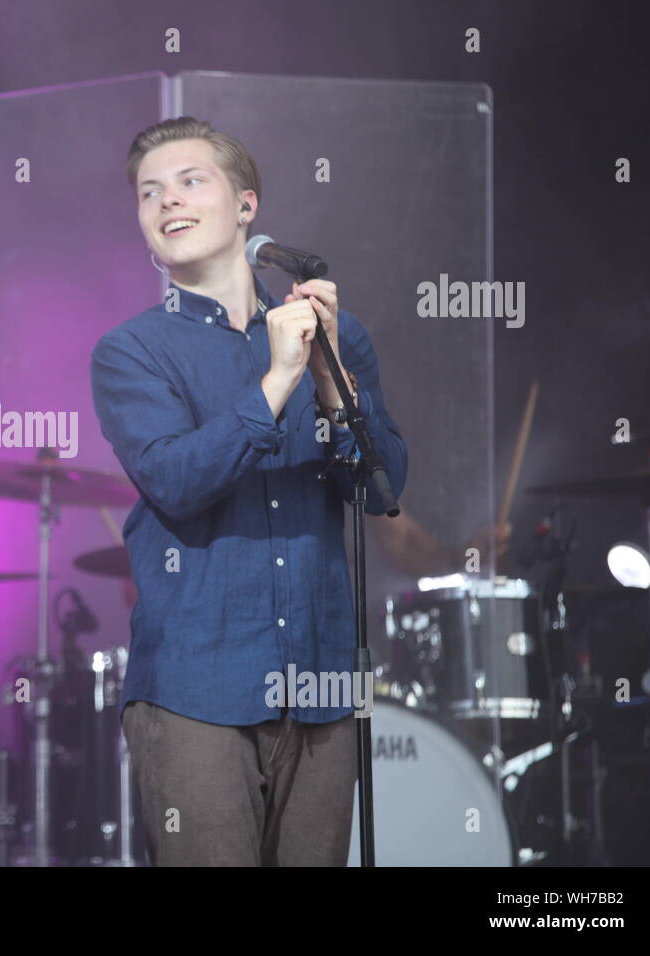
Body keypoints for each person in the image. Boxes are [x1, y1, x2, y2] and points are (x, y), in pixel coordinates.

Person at [90, 117, 409, 866]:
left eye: (189, 180)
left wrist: (329, 382)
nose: (167, 200)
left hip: (324, 681)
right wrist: (277, 381)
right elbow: (177, 480)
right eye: (148, 192)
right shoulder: (131, 350)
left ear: (246, 206)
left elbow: (384, 489)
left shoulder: (336, 334)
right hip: (197, 685)